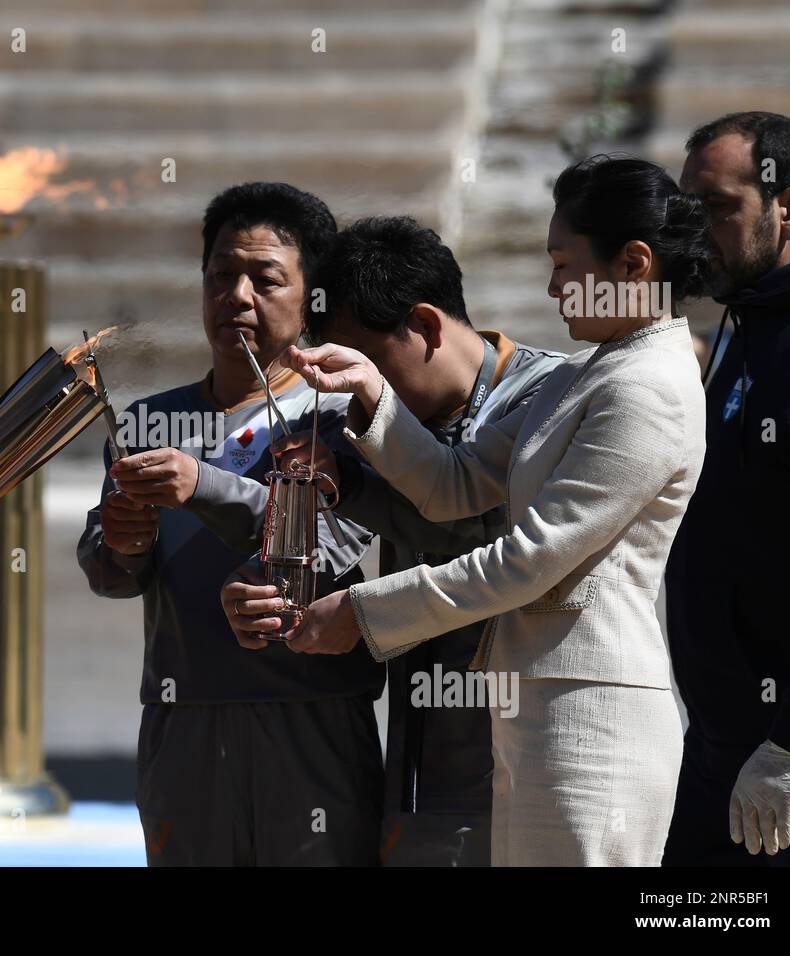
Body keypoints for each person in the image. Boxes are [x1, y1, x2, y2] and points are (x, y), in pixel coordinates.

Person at [237, 156, 712, 865]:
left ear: (634, 264)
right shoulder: (589, 375)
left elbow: (530, 561)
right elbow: (455, 485)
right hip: (532, 715)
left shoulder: (647, 386)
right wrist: (371, 388)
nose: (551, 286)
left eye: (563, 262)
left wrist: (365, 614)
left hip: (594, 721)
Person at [231, 216, 564, 866]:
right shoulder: (369, 425)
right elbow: (329, 552)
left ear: (427, 326)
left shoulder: (550, 399)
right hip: (421, 783)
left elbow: (486, 539)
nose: (364, 398)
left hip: (536, 770)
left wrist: (358, 484)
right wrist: (253, 587)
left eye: (372, 369)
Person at [76, 182, 384, 866]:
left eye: (265, 279)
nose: (236, 297)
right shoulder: (151, 422)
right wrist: (121, 546)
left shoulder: (347, 417)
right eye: (220, 276)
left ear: (312, 296)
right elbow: (110, 570)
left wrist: (203, 486)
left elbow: (327, 550)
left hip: (312, 724)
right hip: (185, 723)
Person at [664, 111, 790, 865]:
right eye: (685, 211)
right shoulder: (747, 325)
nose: (696, 234)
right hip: (723, 750)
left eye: (718, 208)